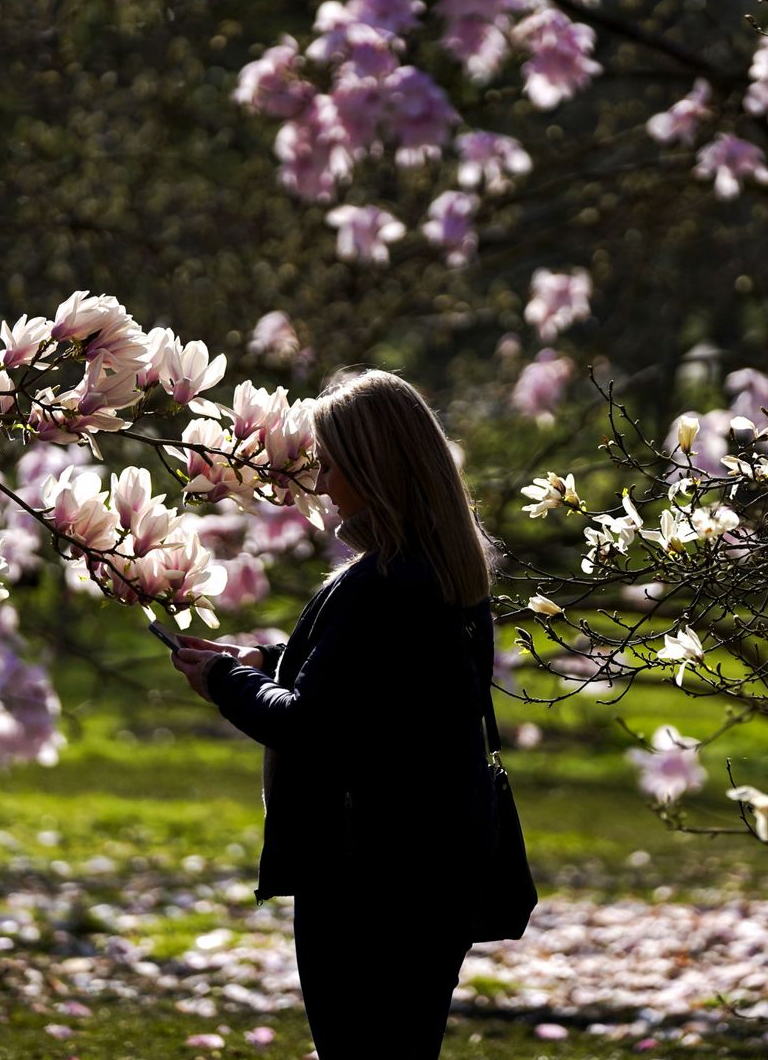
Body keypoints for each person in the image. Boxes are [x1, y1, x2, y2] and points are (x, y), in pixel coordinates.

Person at [170, 369, 500, 1059]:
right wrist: (267, 659)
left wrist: (227, 681)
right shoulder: (441, 574)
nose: (319, 485)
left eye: (330, 466)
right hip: (433, 864)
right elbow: (375, 686)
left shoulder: (378, 586)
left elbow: (313, 726)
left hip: (366, 877)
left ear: (371, 469)